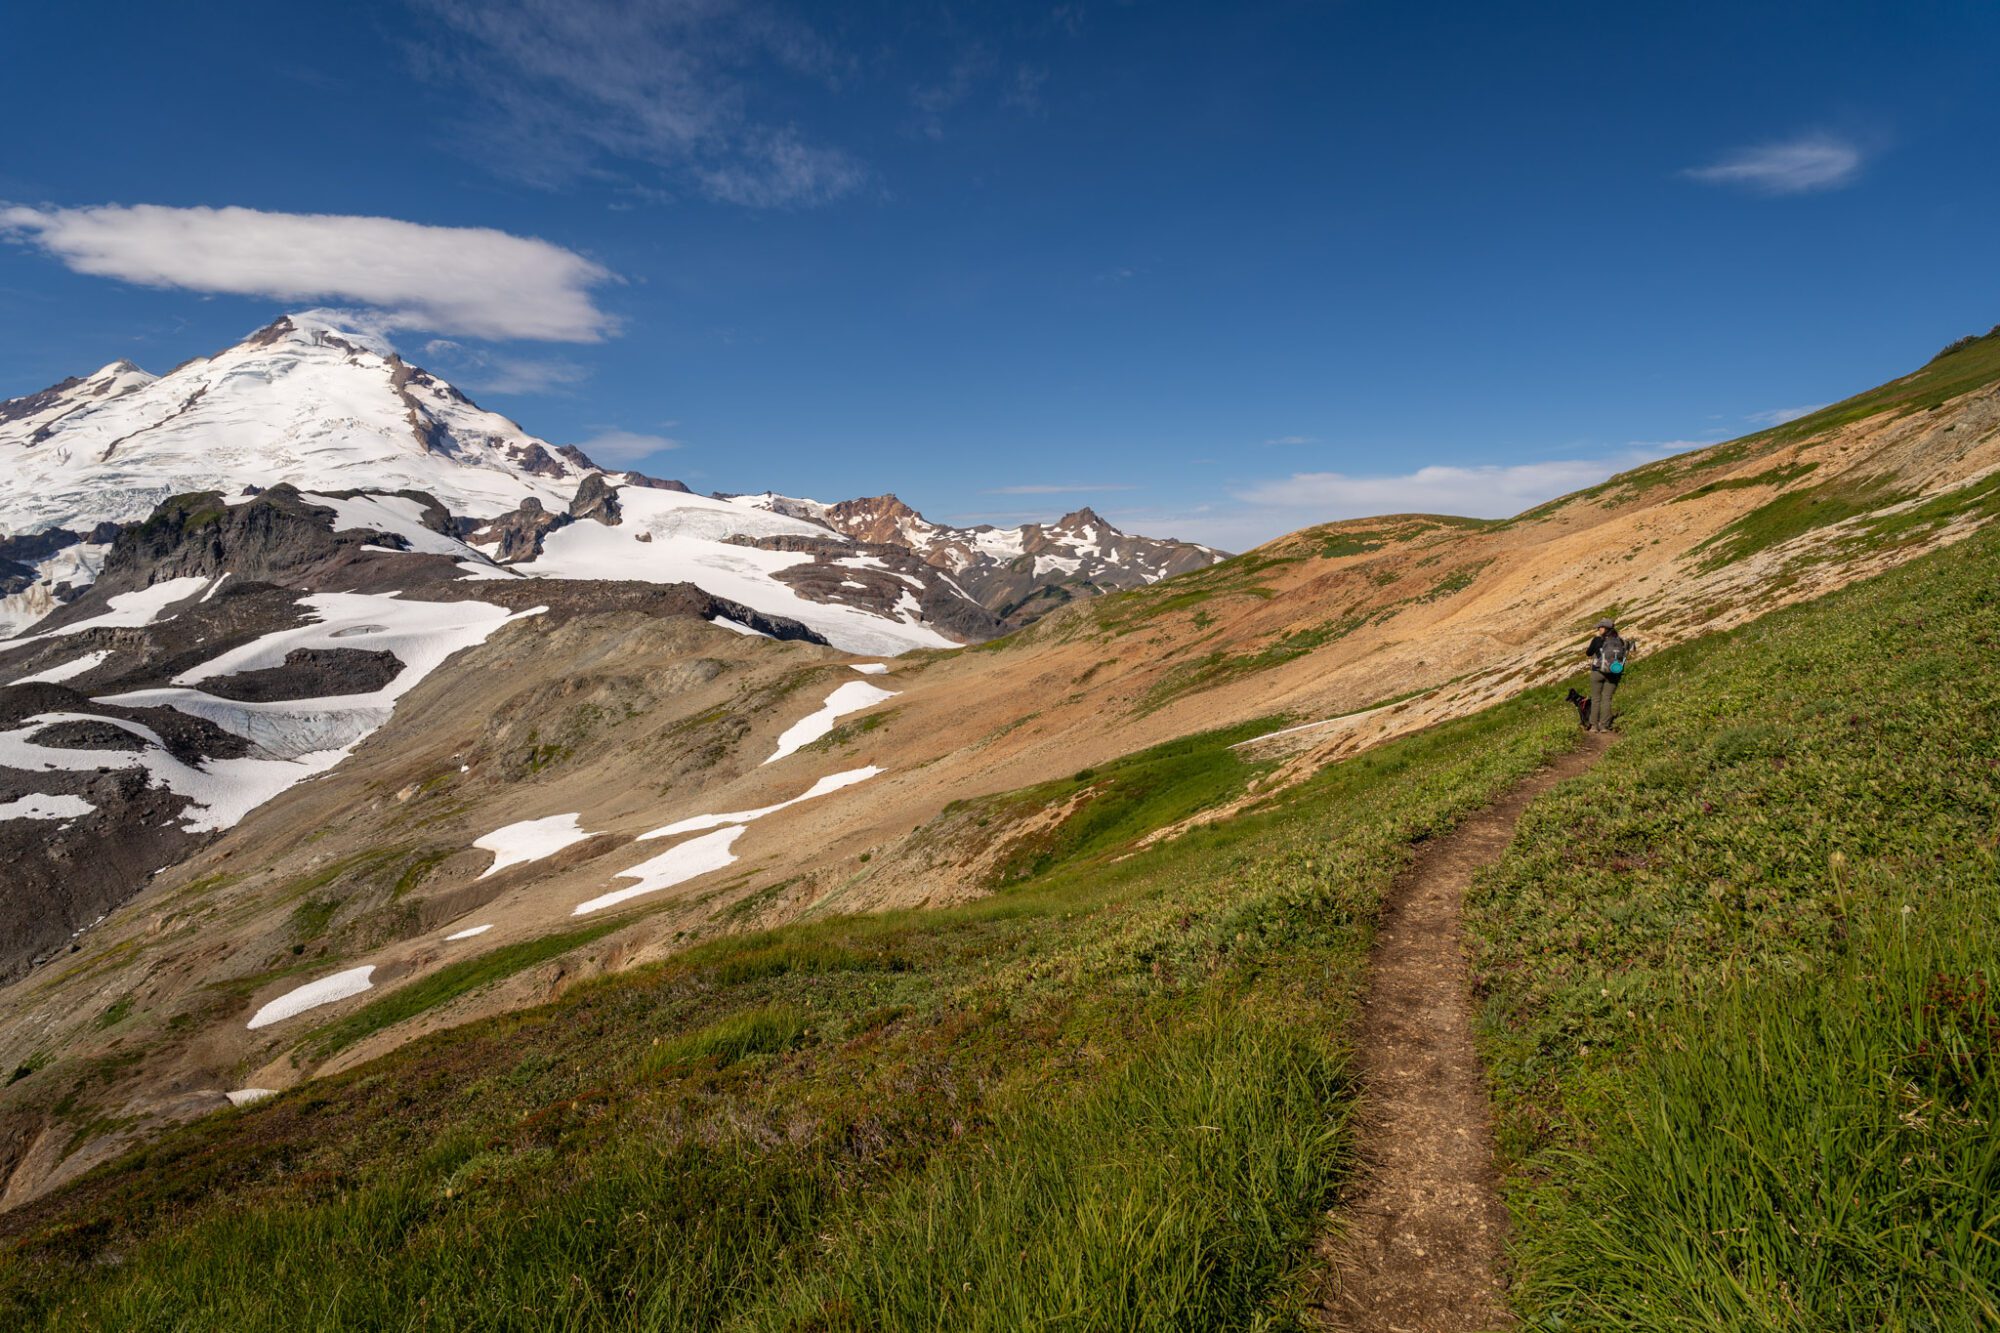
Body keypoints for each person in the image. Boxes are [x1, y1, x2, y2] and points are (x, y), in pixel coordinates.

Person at [1584, 618, 1629, 733]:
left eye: (1600, 627)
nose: (1598, 629)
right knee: (1607, 698)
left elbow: (1588, 653)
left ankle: (1594, 726)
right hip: (1613, 673)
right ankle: (1604, 726)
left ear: (1606, 629)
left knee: (1596, 699)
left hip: (1597, 672)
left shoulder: (1597, 640)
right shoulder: (1620, 641)